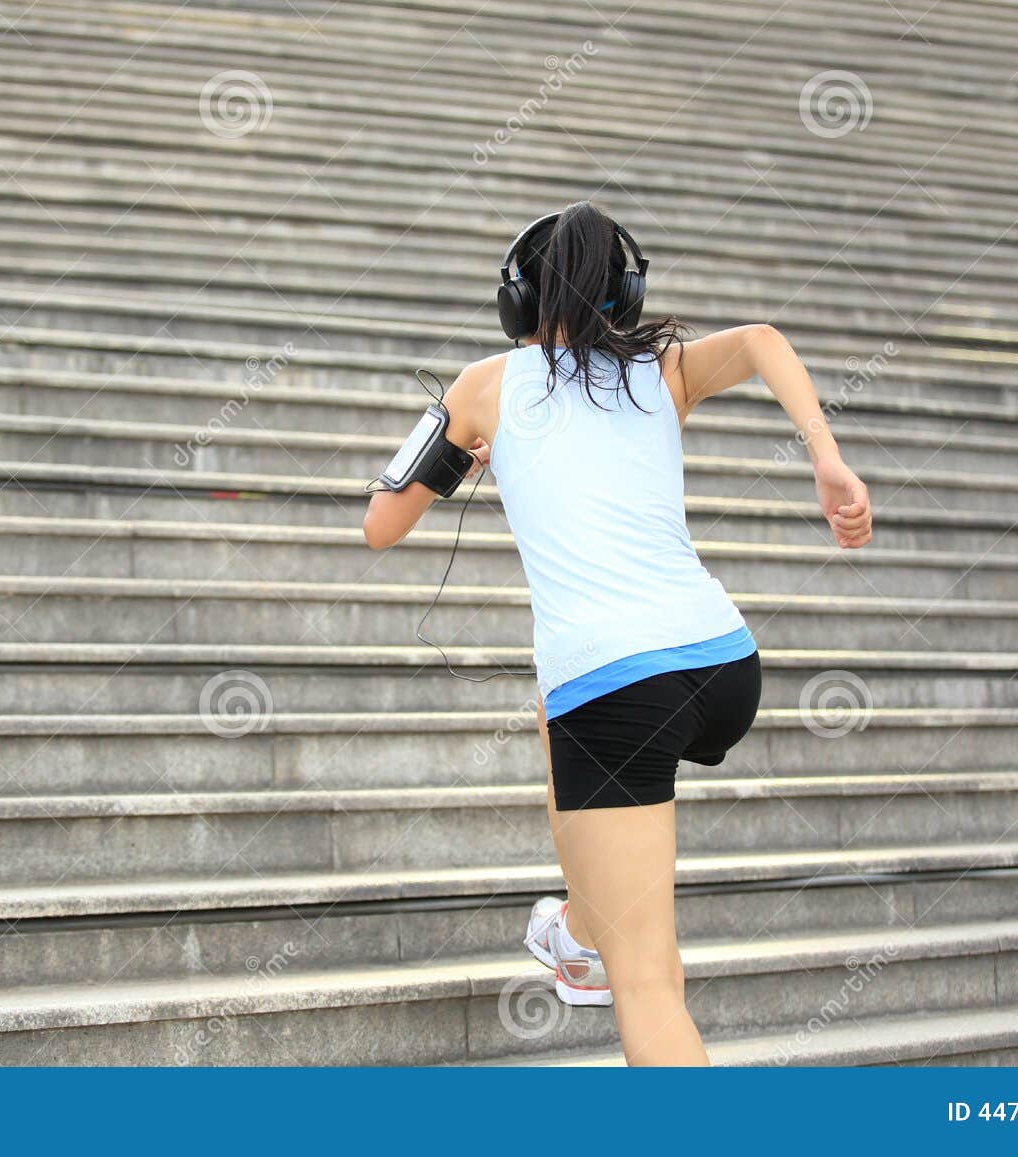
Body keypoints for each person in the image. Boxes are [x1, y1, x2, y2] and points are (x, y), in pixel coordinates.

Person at [362, 200, 873, 1066]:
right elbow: (761, 339)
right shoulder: (661, 371)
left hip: (614, 689)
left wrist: (464, 450)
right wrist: (825, 455)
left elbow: (381, 524)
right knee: (555, 718)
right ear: (626, 294)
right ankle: (574, 923)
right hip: (723, 664)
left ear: (518, 300)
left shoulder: (483, 386)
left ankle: (590, 938)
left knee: (650, 985)